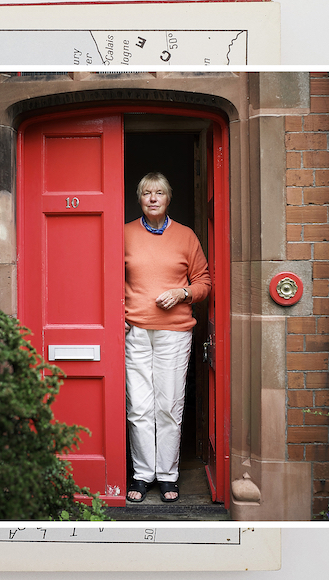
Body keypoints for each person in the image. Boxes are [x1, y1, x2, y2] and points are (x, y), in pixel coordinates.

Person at [124, 172, 210, 503]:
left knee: (169, 406)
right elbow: (109, 278)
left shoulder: (186, 236)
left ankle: (168, 475)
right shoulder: (125, 233)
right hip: (137, 331)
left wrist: (182, 292)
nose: (153, 198)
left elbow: (204, 282)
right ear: (140, 198)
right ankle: (143, 474)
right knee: (139, 406)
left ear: (168, 198)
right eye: (147, 193)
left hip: (174, 333)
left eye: (160, 192)